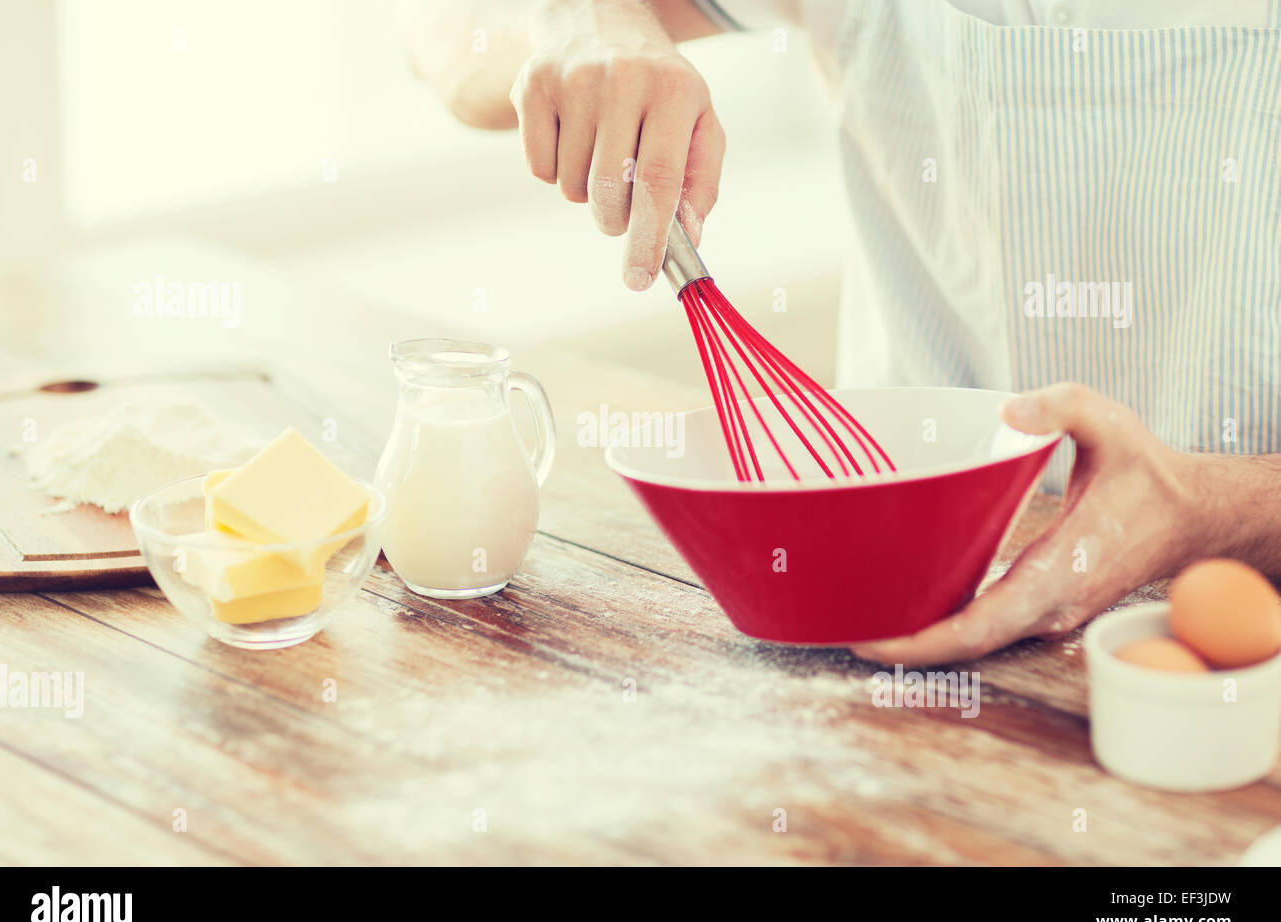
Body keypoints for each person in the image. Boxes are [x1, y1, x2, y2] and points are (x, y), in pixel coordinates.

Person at [406, 0, 1281, 664]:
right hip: (870, 616)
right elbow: (444, 32)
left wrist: (1214, 508)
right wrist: (582, 18)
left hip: (1239, 652)